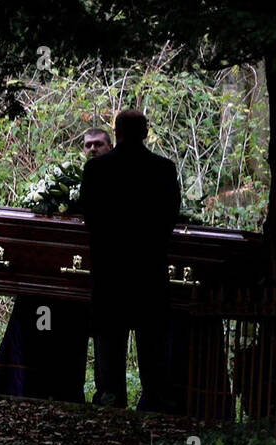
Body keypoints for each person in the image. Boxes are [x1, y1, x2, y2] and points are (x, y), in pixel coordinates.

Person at [0, 126, 112, 402]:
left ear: (110, 147)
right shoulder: (73, 179)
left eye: (98, 144)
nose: (92, 149)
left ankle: (103, 396)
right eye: (88, 145)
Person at [79, 108, 180, 411]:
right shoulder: (163, 169)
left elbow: (90, 216)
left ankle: (111, 401)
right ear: (146, 133)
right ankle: (154, 403)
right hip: (149, 268)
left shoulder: (97, 170)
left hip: (110, 269)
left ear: (117, 133)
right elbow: (170, 217)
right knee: (152, 342)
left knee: (109, 340)